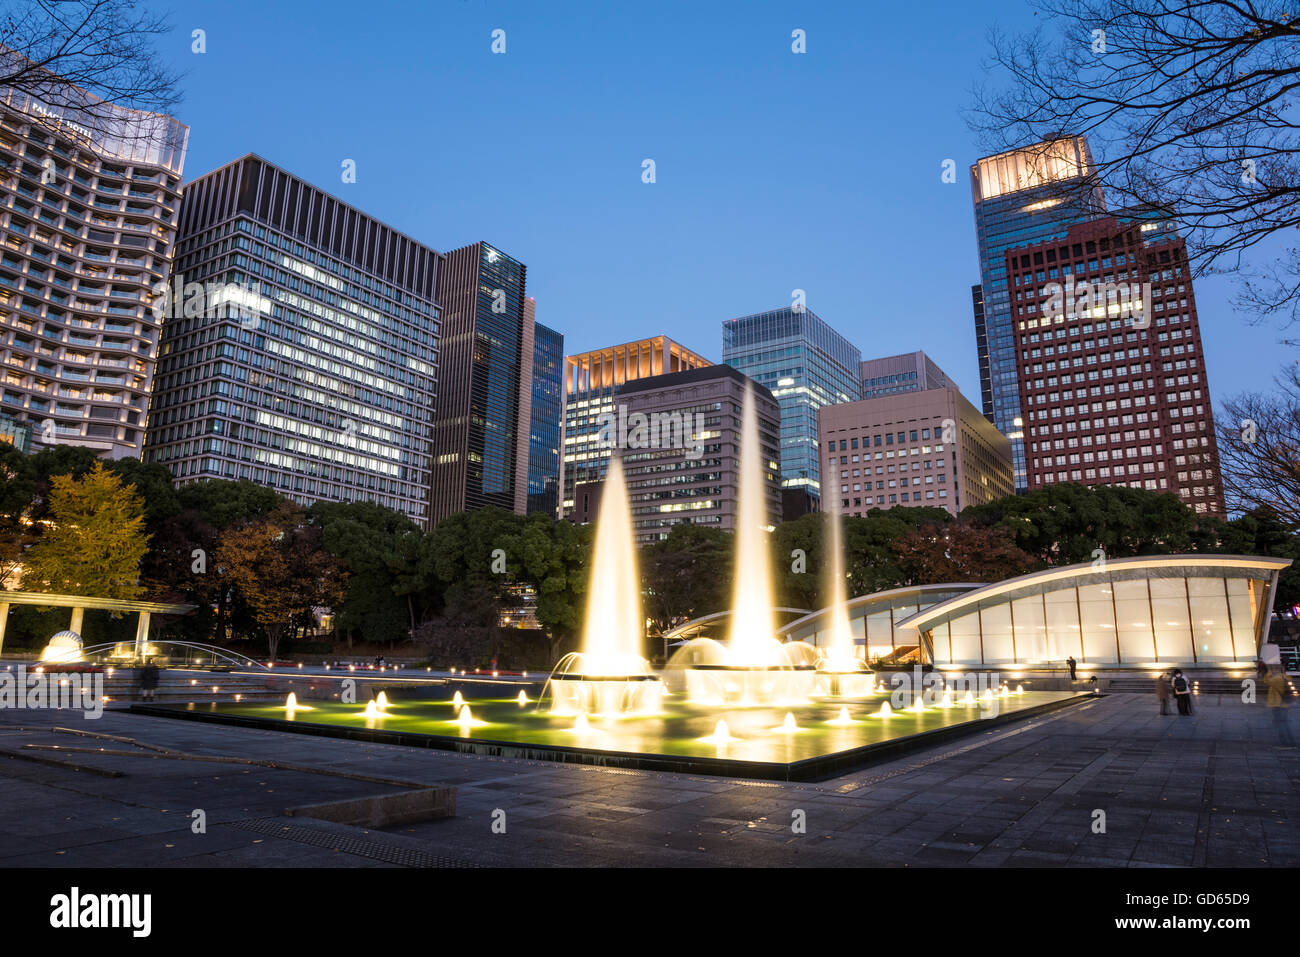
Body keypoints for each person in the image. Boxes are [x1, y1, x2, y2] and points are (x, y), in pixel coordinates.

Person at [1267, 666, 1292, 745]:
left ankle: (1285, 742)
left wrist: (1268, 674)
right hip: (1283, 704)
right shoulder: (1285, 677)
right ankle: (1288, 741)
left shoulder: (1277, 679)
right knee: (1283, 723)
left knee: (1279, 723)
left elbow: (1267, 681)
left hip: (1278, 704)